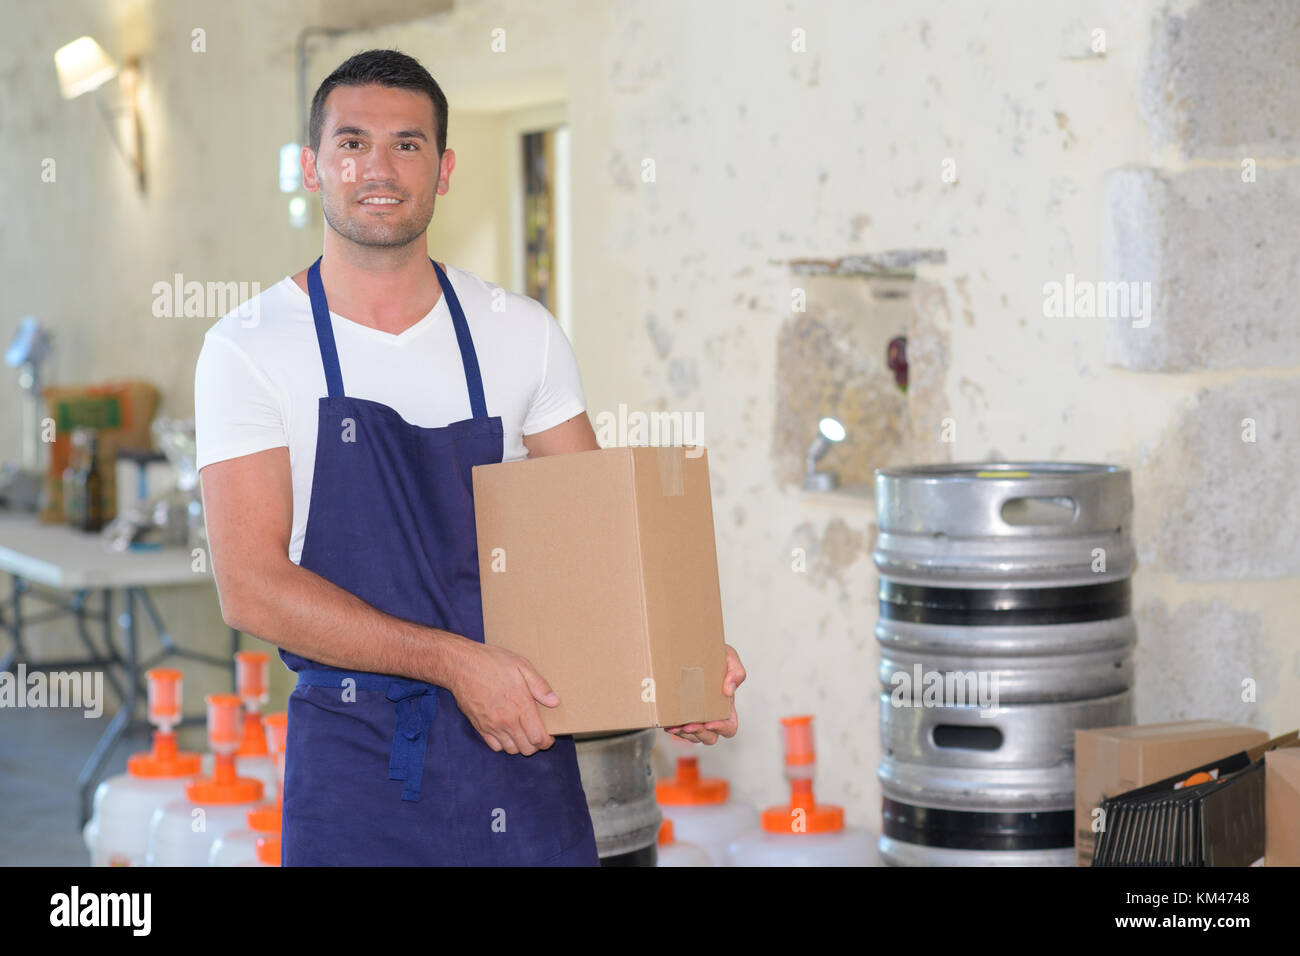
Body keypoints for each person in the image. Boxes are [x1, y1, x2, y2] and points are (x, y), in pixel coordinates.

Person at [195, 49, 745, 866]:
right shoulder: (248, 349)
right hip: (356, 769)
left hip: (521, 753)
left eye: (407, 145)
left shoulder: (517, 332)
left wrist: (670, 655)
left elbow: (591, 549)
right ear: (313, 166)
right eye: (351, 143)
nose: (378, 168)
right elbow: (251, 587)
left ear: (444, 169)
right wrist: (453, 664)